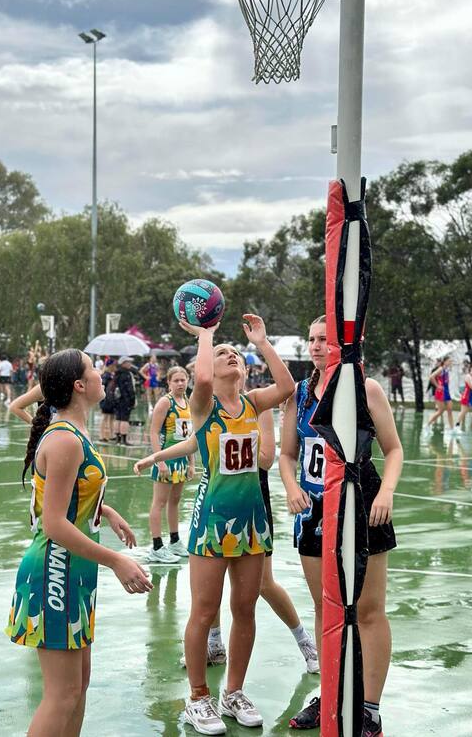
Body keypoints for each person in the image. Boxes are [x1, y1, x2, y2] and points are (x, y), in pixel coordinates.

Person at [5, 348, 152, 737]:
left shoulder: (76, 433)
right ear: (79, 385)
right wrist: (116, 561)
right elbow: (54, 523)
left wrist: (107, 512)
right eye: (93, 369)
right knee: (62, 694)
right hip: (56, 567)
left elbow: (71, 501)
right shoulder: (65, 440)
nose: (102, 373)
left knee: (78, 687)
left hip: (74, 569)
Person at [279, 315, 403, 736]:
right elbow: (287, 456)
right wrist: (291, 486)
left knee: (367, 612)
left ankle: (369, 708)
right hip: (313, 510)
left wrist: (386, 492)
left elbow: (394, 449)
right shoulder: (299, 395)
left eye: (324, 340)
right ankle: (331, 694)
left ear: (343, 345)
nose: (316, 346)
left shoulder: (366, 388)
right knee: (326, 610)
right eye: (311, 339)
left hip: (363, 506)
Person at [179, 314, 295, 734]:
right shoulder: (203, 405)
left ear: (245, 372)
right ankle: (198, 698)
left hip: (251, 522)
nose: (230, 356)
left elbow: (287, 388)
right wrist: (206, 335)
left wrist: (262, 343)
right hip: (212, 522)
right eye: (222, 354)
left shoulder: (253, 402)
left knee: (245, 609)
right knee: (204, 611)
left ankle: (233, 692)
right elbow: (205, 380)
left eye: (235, 354)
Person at [145, 366, 194, 564]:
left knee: (175, 501)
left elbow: (191, 436)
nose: (181, 383)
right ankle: (157, 546)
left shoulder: (188, 402)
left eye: (183, 380)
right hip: (166, 459)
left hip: (182, 459)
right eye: (176, 381)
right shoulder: (165, 402)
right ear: (169, 383)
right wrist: (160, 460)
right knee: (160, 502)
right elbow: (154, 432)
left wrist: (191, 463)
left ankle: (174, 541)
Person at [425, 356, 455, 432]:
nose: (450, 362)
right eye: (449, 361)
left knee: (450, 410)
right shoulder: (441, 369)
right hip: (440, 392)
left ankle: (452, 429)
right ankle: (428, 425)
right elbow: (431, 377)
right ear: (444, 362)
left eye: (450, 361)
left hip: (446, 391)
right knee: (440, 411)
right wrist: (437, 385)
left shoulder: (447, 369)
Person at [114, 356, 137, 445]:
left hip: (117, 399)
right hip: (125, 400)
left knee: (118, 418)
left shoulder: (117, 373)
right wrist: (132, 400)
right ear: (123, 363)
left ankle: (117, 439)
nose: (130, 364)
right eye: (128, 362)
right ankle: (124, 439)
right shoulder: (126, 374)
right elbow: (130, 389)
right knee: (125, 419)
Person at [98, 360, 117, 442]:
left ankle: (111, 434)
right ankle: (102, 436)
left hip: (111, 399)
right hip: (106, 399)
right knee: (105, 417)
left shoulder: (112, 375)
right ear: (110, 366)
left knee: (112, 417)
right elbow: (103, 388)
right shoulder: (105, 376)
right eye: (113, 365)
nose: (115, 367)